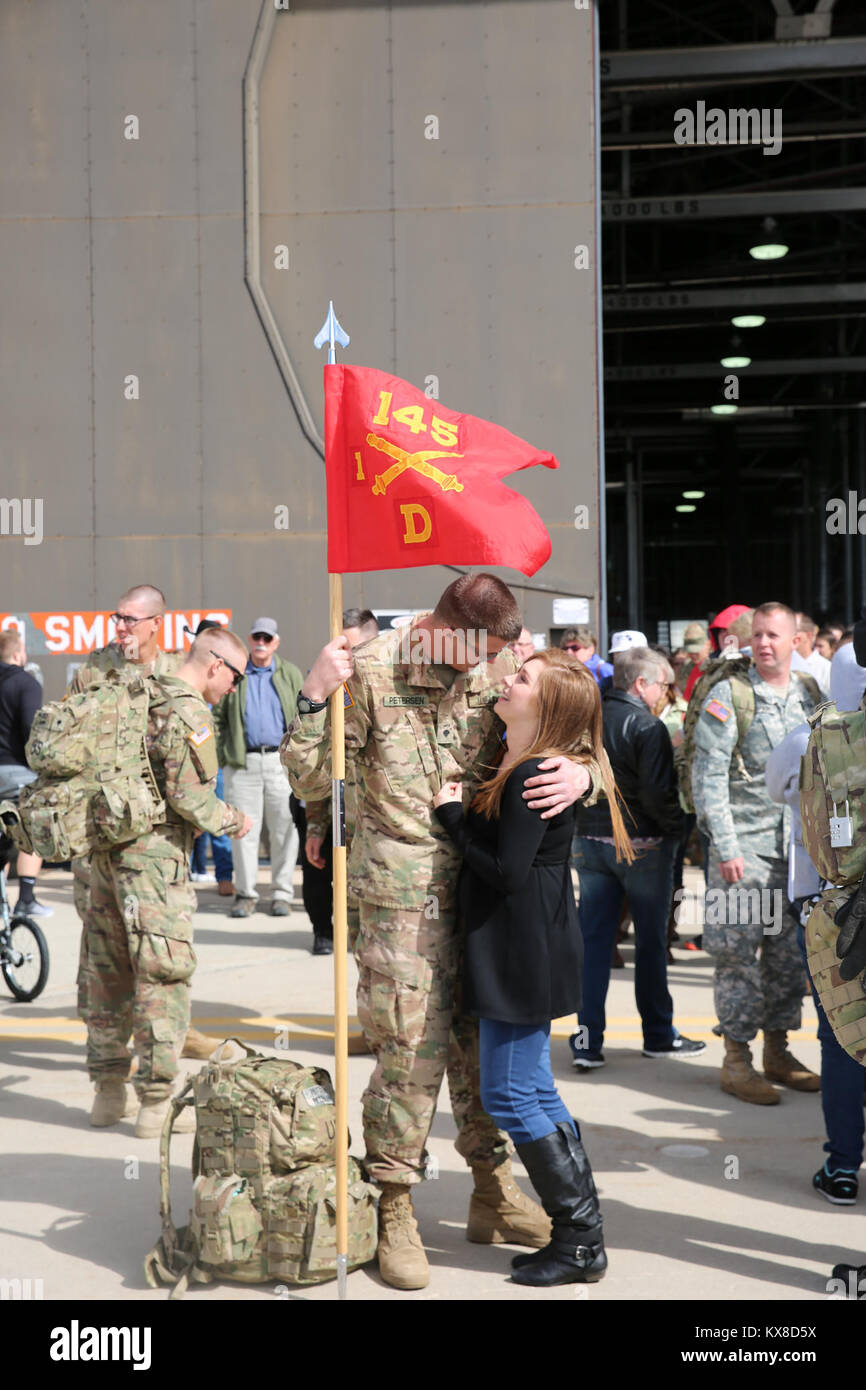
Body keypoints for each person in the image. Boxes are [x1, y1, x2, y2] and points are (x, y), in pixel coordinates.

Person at [282, 571, 598, 1291]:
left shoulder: (500, 664)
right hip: (403, 898)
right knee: (411, 1049)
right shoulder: (369, 670)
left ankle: (492, 1189)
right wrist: (313, 698)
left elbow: (571, 723)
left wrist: (584, 775)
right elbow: (312, 778)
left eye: (497, 656)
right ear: (442, 628)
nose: (489, 668)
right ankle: (395, 1205)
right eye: (477, 652)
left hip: (490, 892)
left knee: (484, 1050)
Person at [433, 650, 631, 1286]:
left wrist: (453, 818)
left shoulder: (531, 776)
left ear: (545, 710)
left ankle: (577, 1240)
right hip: (525, 942)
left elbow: (507, 872)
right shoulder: (523, 758)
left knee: (510, 1094)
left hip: (520, 947)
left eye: (521, 680)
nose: (508, 681)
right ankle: (581, 1236)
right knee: (535, 1089)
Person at [83, 629, 252, 1136]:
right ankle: (156, 1105)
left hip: (105, 856)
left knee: (106, 975)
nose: (234, 688)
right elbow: (190, 797)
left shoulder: (135, 694)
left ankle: (107, 1095)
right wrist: (233, 820)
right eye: (236, 677)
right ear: (216, 665)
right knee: (162, 978)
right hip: (153, 866)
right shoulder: (189, 711)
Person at [65, 586, 219, 1064]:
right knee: (105, 950)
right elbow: (66, 742)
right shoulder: (94, 670)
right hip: (102, 836)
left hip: (157, 842)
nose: (121, 627)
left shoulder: (175, 672)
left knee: (161, 947)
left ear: (157, 623)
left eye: (131, 619)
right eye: (118, 618)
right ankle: (113, 1050)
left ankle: (170, 1036)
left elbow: (192, 755)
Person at [691, 601, 820, 1104]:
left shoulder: (810, 694)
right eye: (758, 635)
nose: (763, 643)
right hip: (743, 853)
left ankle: (778, 1051)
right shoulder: (730, 695)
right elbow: (709, 778)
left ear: (796, 641)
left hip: (796, 854)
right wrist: (725, 847)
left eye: (773, 635)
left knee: (787, 961)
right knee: (738, 958)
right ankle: (736, 1059)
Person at [570, 646, 705, 1070]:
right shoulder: (647, 726)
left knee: (594, 944)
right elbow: (656, 793)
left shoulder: (586, 719)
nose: (665, 693)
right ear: (641, 683)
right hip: (643, 844)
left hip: (589, 841)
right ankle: (658, 1035)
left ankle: (586, 1043)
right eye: (663, 685)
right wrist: (676, 828)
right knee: (650, 943)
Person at [294, 607, 379, 956]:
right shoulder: (329, 692)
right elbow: (316, 768)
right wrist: (315, 827)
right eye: (340, 649)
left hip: (384, 837)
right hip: (341, 823)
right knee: (320, 880)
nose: (346, 659)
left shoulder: (400, 694)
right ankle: (323, 932)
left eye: (353, 650)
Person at [215, 617, 303, 918]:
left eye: (267, 638)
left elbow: (305, 716)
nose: (261, 643)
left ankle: (282, 894)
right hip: (244, 763)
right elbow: (217, 717)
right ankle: (246, 894)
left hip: (281, 762)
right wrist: (224, 754)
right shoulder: (236, 672)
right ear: (250, 640)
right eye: (257, 637)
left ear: (276, 642)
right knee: (243, 831)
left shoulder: (290, 673)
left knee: (285, 829)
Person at [0, 628, 51, 918]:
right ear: (19, 654)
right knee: (32, 831)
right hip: (18, 773)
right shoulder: (26, 682)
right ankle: (26, 899)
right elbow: (32, 731)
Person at [186, 620, 233, 896]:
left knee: (218, 816)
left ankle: (224, 875)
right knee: (186, 816)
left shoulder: (226, 673)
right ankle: (185, 871)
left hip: (213, 758)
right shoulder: (186, 669)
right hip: (186, 757)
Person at [791, 612, 831, 695]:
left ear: (808, 635)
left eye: (793, 631)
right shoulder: (780, 665)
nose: (788, 635)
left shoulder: (826, 668)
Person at [561, 626, 613, 690]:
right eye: (565, 648)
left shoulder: (605, 669)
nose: (569, 652)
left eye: (575, 648)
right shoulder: (563, 670)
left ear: (590, 649)